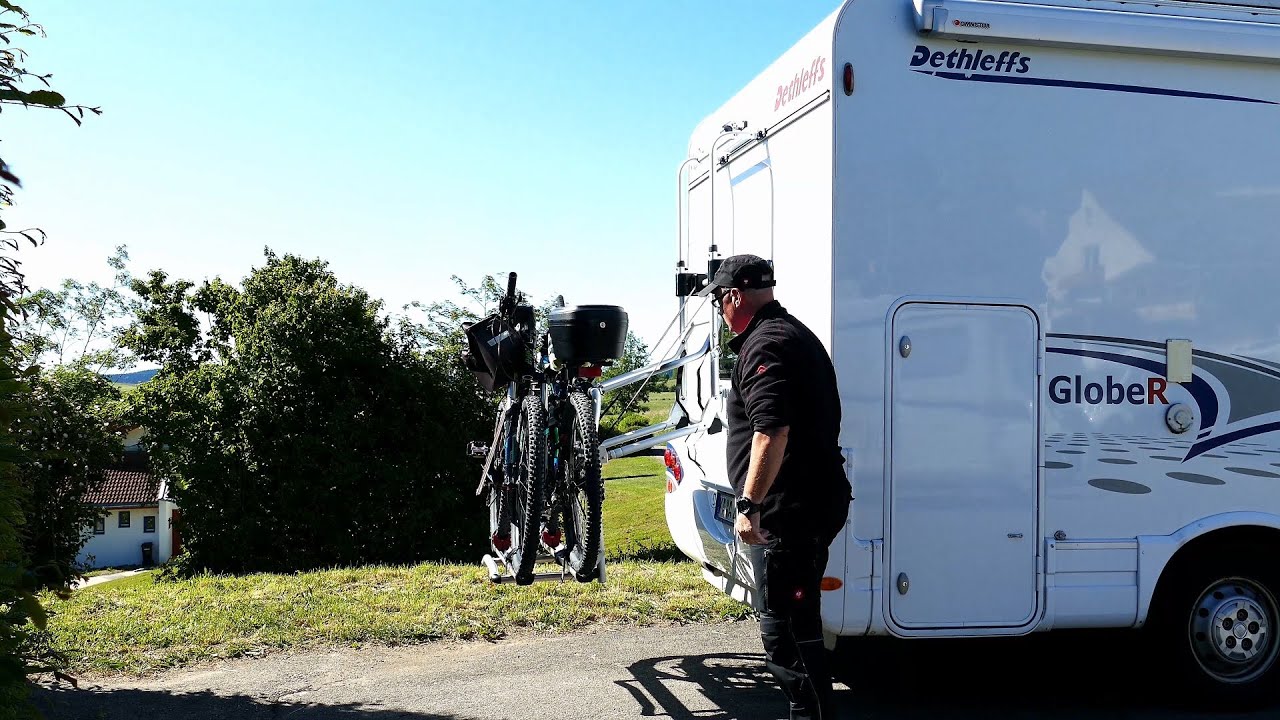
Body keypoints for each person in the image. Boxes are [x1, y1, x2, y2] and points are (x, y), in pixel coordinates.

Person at [698, 254, 852, 720]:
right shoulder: (791, 333)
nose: (721, 315)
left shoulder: (764, 345)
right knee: (797, 625)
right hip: (810, 502)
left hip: (790, 511)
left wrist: (749, 505)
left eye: (719, 303)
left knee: (784, 632)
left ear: (733, 297)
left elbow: (772, 431)